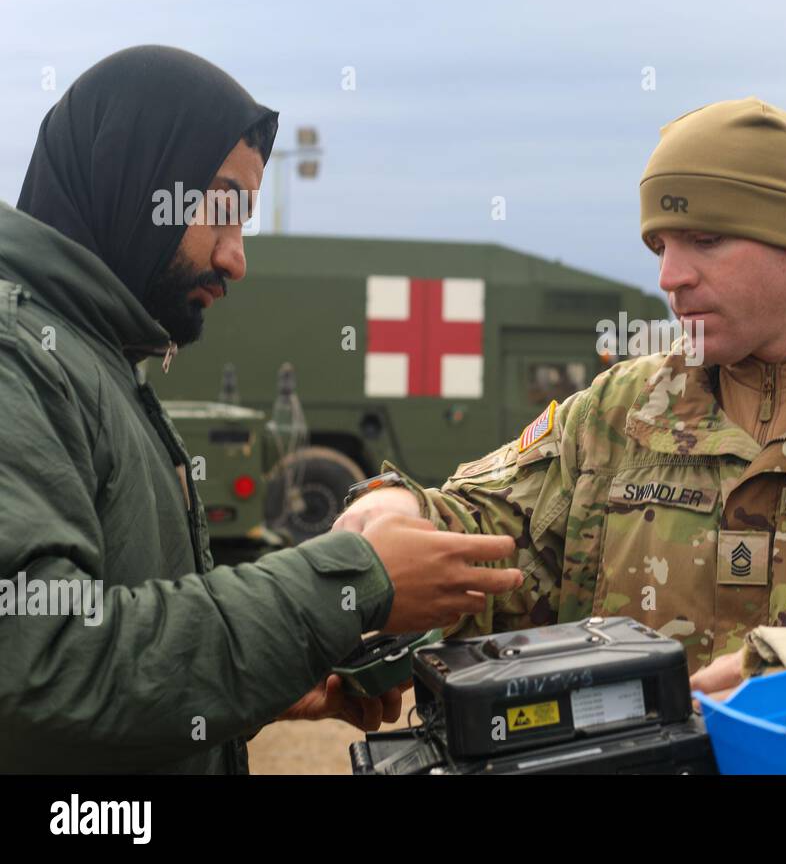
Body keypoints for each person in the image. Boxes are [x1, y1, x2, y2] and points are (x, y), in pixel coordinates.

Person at [336, 96, 786, 691]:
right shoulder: (627, 408)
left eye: (703, 240)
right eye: (659, 246)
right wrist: (399, 506)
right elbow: (493, 530)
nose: (671, 277)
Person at [0, 46, 521, 774]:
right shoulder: (16, 356)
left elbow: (112, 668)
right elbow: (42, 664)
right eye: (219, 212)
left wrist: (255, 684)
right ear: (134, 179)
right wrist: (352, 582)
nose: (236, 258)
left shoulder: (92, 359)